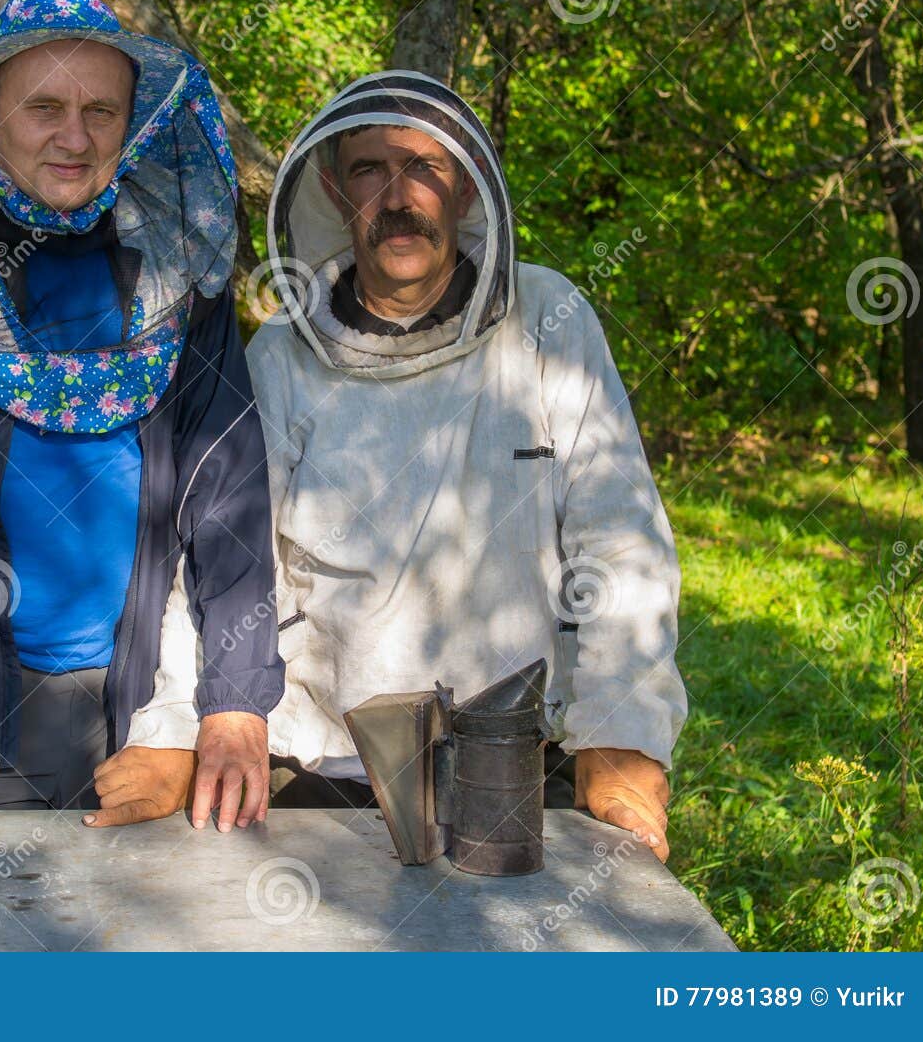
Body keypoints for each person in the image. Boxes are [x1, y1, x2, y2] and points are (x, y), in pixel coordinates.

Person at [113, 71, 688, 860]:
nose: (397, 196)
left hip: (514, 758)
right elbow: (226, 550)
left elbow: (619, 536)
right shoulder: (282, 354)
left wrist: (622, 733)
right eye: (369, 170)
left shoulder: (549, 323)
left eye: (424, 167)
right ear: (334, 190)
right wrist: (175, 728)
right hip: (319, 763)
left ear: (466, 187)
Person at [0, 0, 283, 831]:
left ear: (131, 123)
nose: (75, 137)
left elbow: (228, 498)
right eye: (43, 108)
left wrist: (234, 703)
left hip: (141, 719)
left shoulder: (176, 271)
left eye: (101, 111)